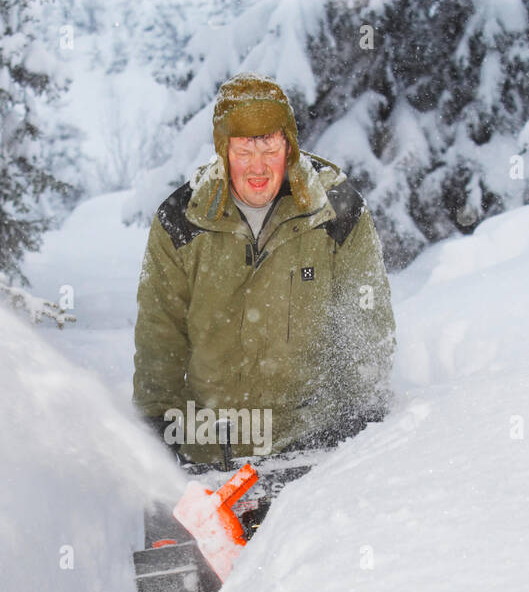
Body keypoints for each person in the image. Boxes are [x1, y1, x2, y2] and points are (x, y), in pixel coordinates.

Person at [132, 73, 395, 466]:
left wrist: (352, 429)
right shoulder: (181, 222)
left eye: (270, 148)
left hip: (310, 450)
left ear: (288, 146)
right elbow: (159, 337)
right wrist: (157, 432)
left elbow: (365, 329)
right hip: (209, 450)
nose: (258, 168)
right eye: (243, 151)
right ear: (222, 151)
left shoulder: (336, 212)